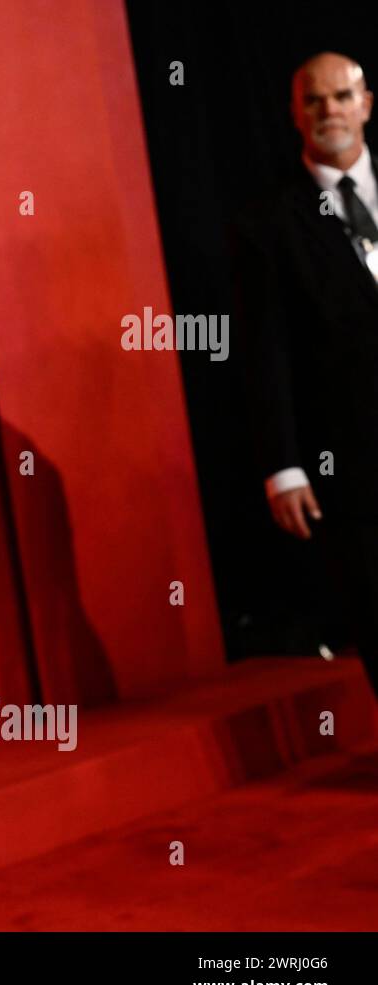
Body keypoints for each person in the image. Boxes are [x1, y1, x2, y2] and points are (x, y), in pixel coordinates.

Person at [236, 51, 378, 694]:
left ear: (366, 104)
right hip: (346, 457)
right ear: (295, 114)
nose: (330, 112)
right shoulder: (270, 222)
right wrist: (284, 465)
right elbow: (267, 354)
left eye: (342, 97)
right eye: (315, 101)